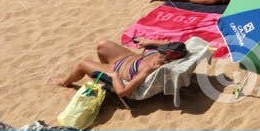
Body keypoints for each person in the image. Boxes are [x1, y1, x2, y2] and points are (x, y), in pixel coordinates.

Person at [50, 39, 187, 98]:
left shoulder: (149, 69)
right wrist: (149, 42)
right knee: (103, 44)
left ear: (169, 56)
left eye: (163, 51)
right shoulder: (167, 54)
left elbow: (123, 92)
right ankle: (103, 78)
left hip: (117, 71)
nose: (161, 49)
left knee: (82, 64)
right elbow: (172, 45)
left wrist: (114, 77)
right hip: (128, 58)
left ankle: (65, 82)